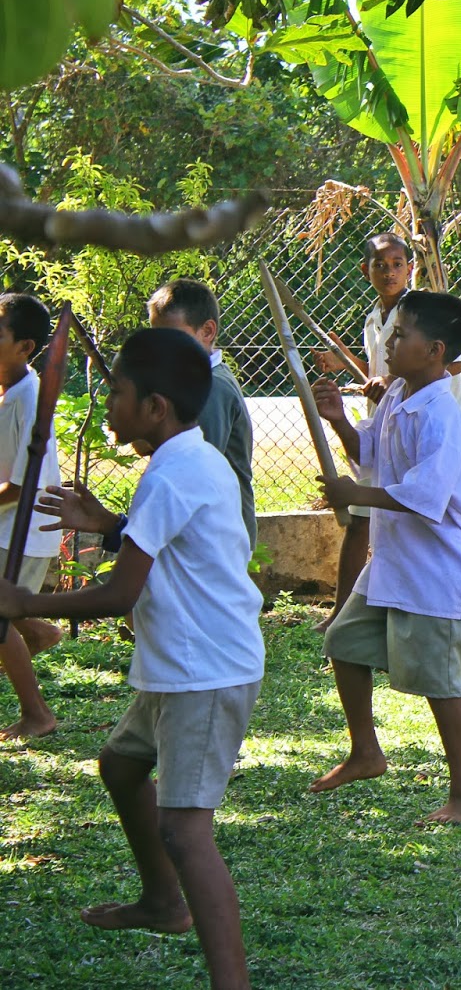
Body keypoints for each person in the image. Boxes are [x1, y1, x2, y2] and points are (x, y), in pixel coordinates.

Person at [0, 327, 263, 989]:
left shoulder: (175, 472)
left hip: (204, 671)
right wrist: (111, 525)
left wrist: (22, 605)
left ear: (156, 408)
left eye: (116, 391)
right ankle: (162, 902)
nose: (106, 400)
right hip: (183, 664)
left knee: (186, 832)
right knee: (121, 766)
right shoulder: (186, 460)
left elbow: (120, 595)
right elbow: (171, 541)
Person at [309, 290, 461, 825]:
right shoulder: (397, 396)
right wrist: (340, 420)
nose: (389, 342)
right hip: (395, 559)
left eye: (401, 334)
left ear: (434, 350)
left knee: (441, 683)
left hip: (440, 567)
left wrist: (354, 496)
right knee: (343, 642)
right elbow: (369, 453)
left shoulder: (442, 413)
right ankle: (366, 752)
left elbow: (425, 495)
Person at [313, 233, 461, 630]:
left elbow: (451, 364)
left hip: (424, 435)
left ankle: (358, 610)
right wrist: (340, 402)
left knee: (378, 512)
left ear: (411, 268)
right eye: (380, 264)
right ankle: (350, 613)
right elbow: (379, 375)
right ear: (364, 270)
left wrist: (391, 382)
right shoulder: (378, 321)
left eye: (398, 263)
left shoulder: (421, 316)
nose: (389, 272)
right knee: (367, 517)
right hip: (392, 423)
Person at [148, 280, 256, 549]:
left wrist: (147, 437)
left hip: (219, 536)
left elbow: (196, 466)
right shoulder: (194, 381)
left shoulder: (211, 387)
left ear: (207, 331)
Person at [0, 293, 65, 738]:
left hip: (22, 527)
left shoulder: (30, 398)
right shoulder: (7, 391)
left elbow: (21, 488)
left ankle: (37, 714)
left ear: (24, 347)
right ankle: (38, 630)